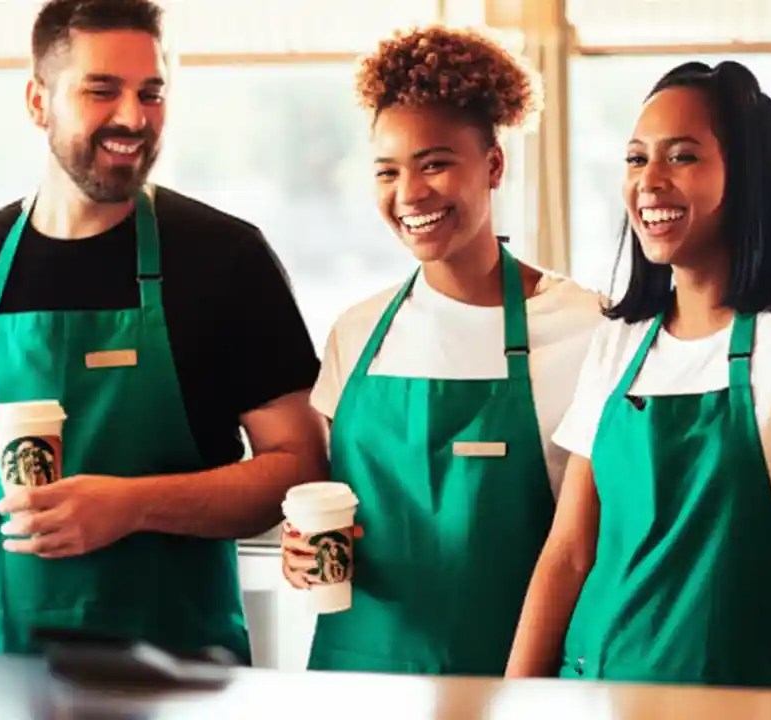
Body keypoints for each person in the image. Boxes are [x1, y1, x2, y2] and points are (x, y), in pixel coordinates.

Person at [0, 0, 327, 660]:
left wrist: (132, 506)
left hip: (183, 677)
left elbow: (297, 465)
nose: (132, 116)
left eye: (151, 92)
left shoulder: (225, 259)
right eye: (101, 90)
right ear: (38, 102)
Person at [504, 60, 771, 691]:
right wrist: (516, 703)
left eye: (683, 157)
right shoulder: (622, 338)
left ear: (746, 176)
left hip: (737, 698)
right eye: (636, 159)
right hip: (589, 689)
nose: (649, 182)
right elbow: (568, 553)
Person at [280, 26, 605, 676]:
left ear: (494, 165)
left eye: (434, 164)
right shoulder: (356, 334)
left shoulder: (585, 327)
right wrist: (301, 547)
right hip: (357, 680)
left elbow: (594, 543)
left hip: (514, 682)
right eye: (387, 171)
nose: (410, 194)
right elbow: (321, 497)